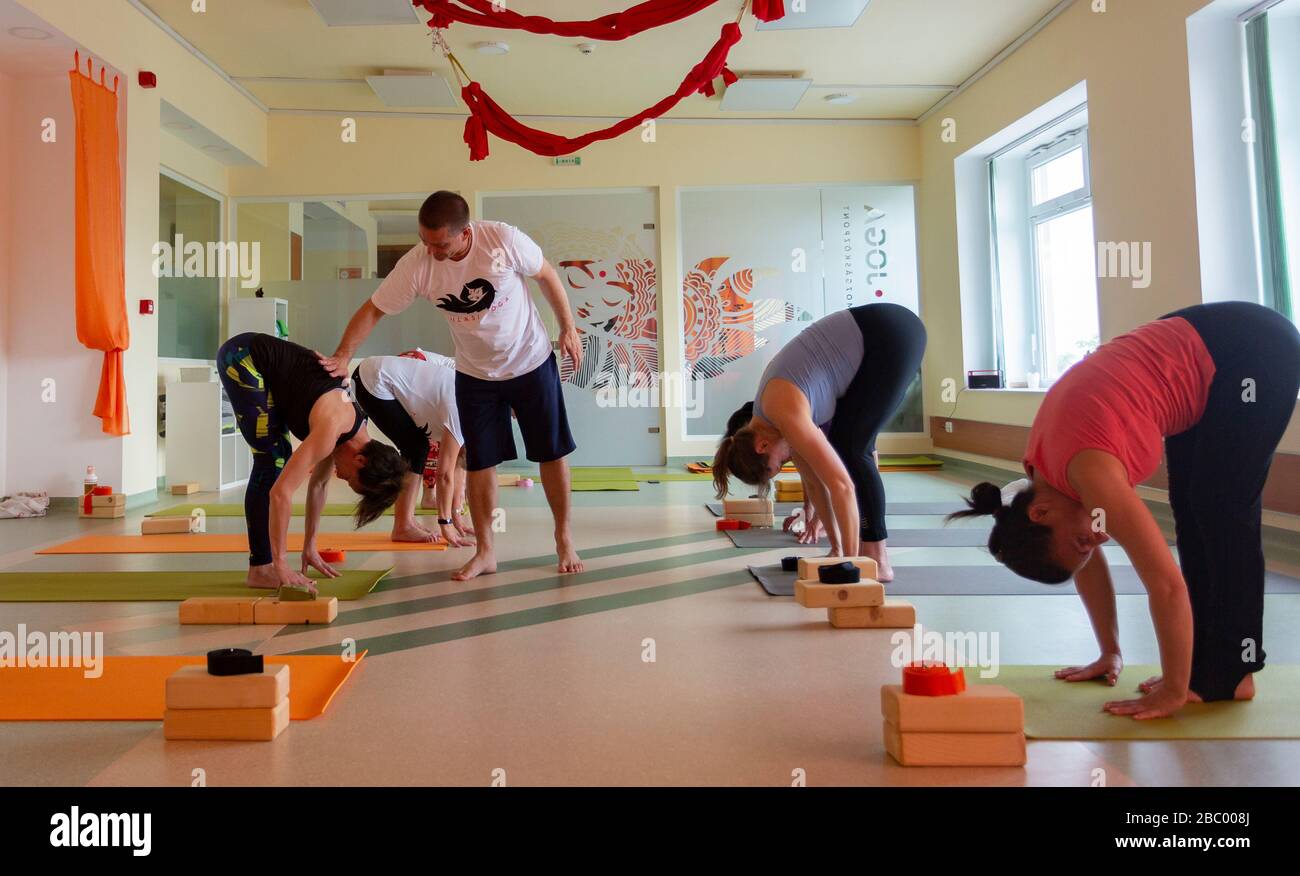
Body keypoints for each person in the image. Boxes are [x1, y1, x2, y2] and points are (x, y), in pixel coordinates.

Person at [951, 302, 1300, 718]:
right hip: (1204, 352)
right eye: (1085, 545)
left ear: (1040, 514)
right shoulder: (1047, 483)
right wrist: (1110, 652)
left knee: (1222, 513)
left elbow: (1165, 585)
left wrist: (1171, 690)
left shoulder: (1089, 471)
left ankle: (1233, 671)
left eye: (1082, 541)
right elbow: (1086, 561)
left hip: (1251, 351)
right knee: (1192, 510)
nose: (1094, 540)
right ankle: (1204, 664)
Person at [319, 191, 584, 581]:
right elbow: (374, 308)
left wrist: (568, 328)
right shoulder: (419, 263)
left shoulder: (503, 240)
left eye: (440, 243)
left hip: (530, 361)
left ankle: (563, 538)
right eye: (425, 241)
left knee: (551, 451)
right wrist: (342, 355)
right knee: (480, 463)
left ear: (464, 233)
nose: (432, 250)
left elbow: (546, 274)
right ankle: (486, 551)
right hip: (475, 373)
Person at [713, 303, 927, 581]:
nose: (788, 460)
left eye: (780, 464)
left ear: (761, 446)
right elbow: (814, 483)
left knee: (851, 448)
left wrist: (848, 567)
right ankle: (854, 553)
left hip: (890, 334)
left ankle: (876, 559)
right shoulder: (772, 422)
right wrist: (836, 550)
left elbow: (842, 486)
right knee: (847, 443)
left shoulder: (782, 411)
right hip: (876, 339)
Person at [217, 332, 407, 593]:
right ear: (361, 459)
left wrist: (310, 546)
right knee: (272, 460)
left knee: (278, 455)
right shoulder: (332, 428)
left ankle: (266, 564)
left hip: (264, 367)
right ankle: (261, 568)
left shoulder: (353, 433)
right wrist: (282, 563)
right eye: (351, 478)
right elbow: (280, 493)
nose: (342, 478)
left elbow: (318, 485)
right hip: (242, 357)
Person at [352, 350, 473, 547]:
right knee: (416, 447)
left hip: (375, 373)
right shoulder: (462, 413)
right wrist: (445, 523)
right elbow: (445, 474)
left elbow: (459, 466)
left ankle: (406, 522)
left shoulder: (470, 416)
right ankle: (403, 525)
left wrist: (456, 516)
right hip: (372, 379)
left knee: (417, 446)